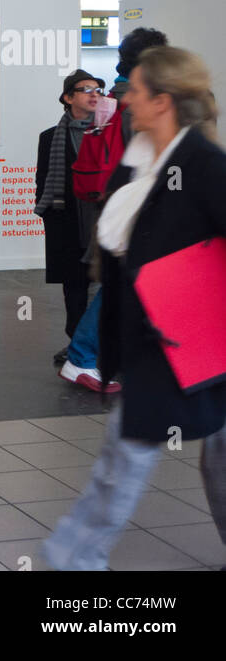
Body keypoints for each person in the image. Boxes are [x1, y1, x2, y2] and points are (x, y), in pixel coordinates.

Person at [42, 46, 226, 569]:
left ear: (163, 101)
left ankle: (71, 560)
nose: (124, 99)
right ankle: (73, 558)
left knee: (129, 453)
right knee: (202, 455)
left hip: (193, 338)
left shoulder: (204, 164)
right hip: (156, 338)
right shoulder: (138, 156)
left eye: (135, 91)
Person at [57, 28, 166, 392]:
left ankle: (97, 355)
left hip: (112, 205)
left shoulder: (115, 99)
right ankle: (84, 355)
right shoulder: (139, 103)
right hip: (135, 208)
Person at [35, 69, 103, 366]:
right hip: (68, 219)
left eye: (98, 89)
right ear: (68, 97)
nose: (94, 94)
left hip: (102, 220)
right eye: (85, 89)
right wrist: (50, 214)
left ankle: (103, 344)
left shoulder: (108, 132)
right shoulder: (50, 138)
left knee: (103, 286)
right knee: (73, 288)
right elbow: (44, 180)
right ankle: (76, 343)